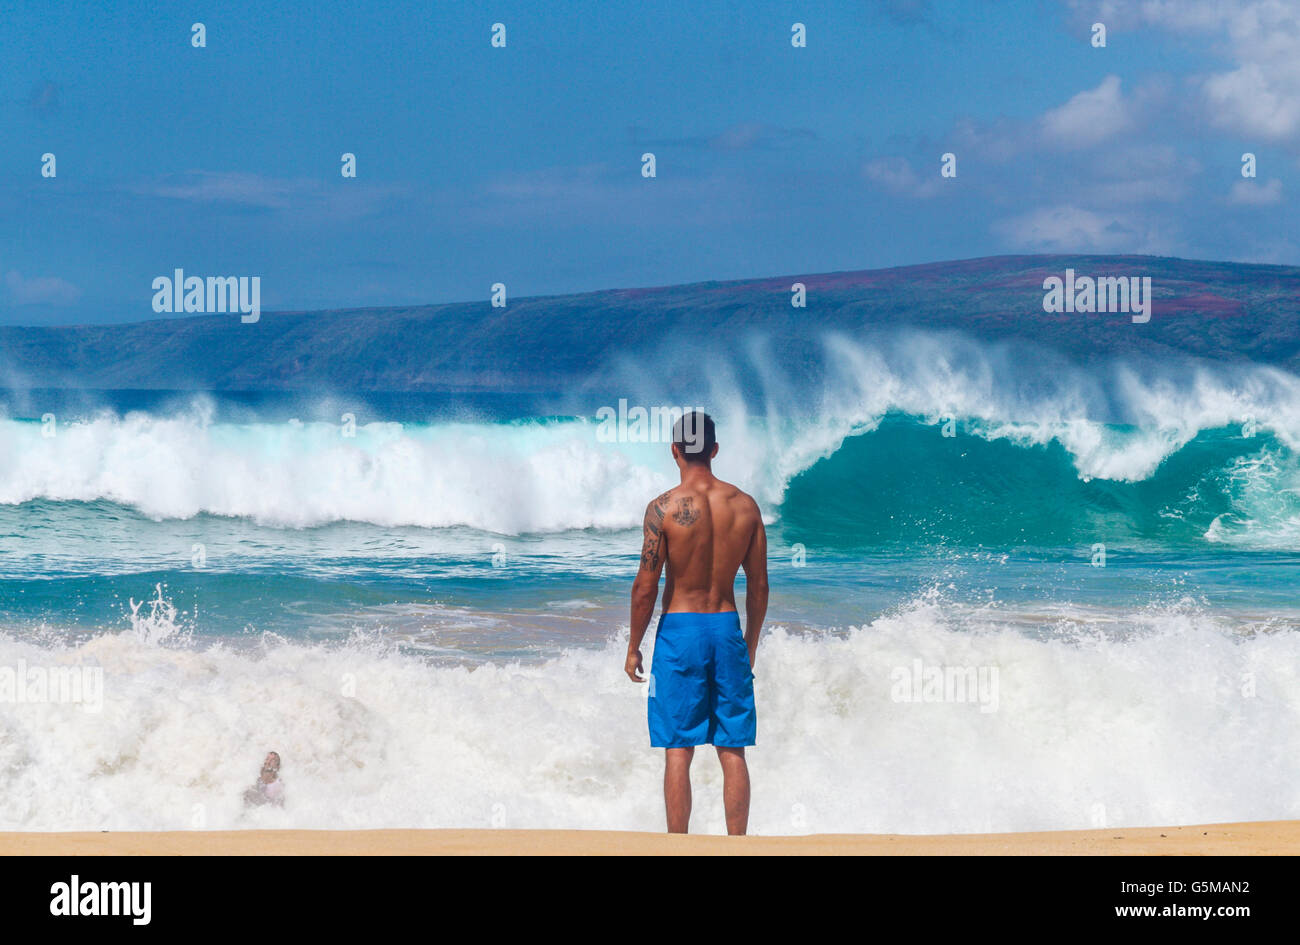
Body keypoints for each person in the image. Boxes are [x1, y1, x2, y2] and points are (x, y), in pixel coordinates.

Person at [624, 411, 768, 835]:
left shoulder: (662, 509)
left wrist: (634, 646)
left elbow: (645, 587)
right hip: (726, 629)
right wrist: (750, 644)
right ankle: (738, 845)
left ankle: (677, 845)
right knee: (733, 747)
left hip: (680, 632)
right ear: (715, 449)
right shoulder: (745, 506)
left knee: (677, 747)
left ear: (674, 451)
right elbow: (759, 588)